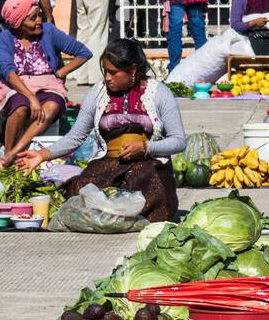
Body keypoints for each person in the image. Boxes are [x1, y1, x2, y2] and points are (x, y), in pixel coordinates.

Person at [13, 39, 185, 223]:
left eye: (113, 72)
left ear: (132, 70)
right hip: (109, 164)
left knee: (151, 189)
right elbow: (76, 136)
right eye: (105, 72)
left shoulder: (159, 93)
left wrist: (145, 147)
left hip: (148, 164)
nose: (108, 77)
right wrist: (42, 155)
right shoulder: (99, 93)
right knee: (82, 190)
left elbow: (179, 141)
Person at [0, 0, 92, 163]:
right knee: (20, 108)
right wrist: (31, 97)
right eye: (33, 18)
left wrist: (61, 73)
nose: (39, 20)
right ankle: (9, 151)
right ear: (18, 22)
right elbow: (8, 72)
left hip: (48, 85)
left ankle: (11, 154)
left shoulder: (48, 31)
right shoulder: (3, 39)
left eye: (39, 15)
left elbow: (84, 52)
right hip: (18, 85)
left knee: (52, 106)